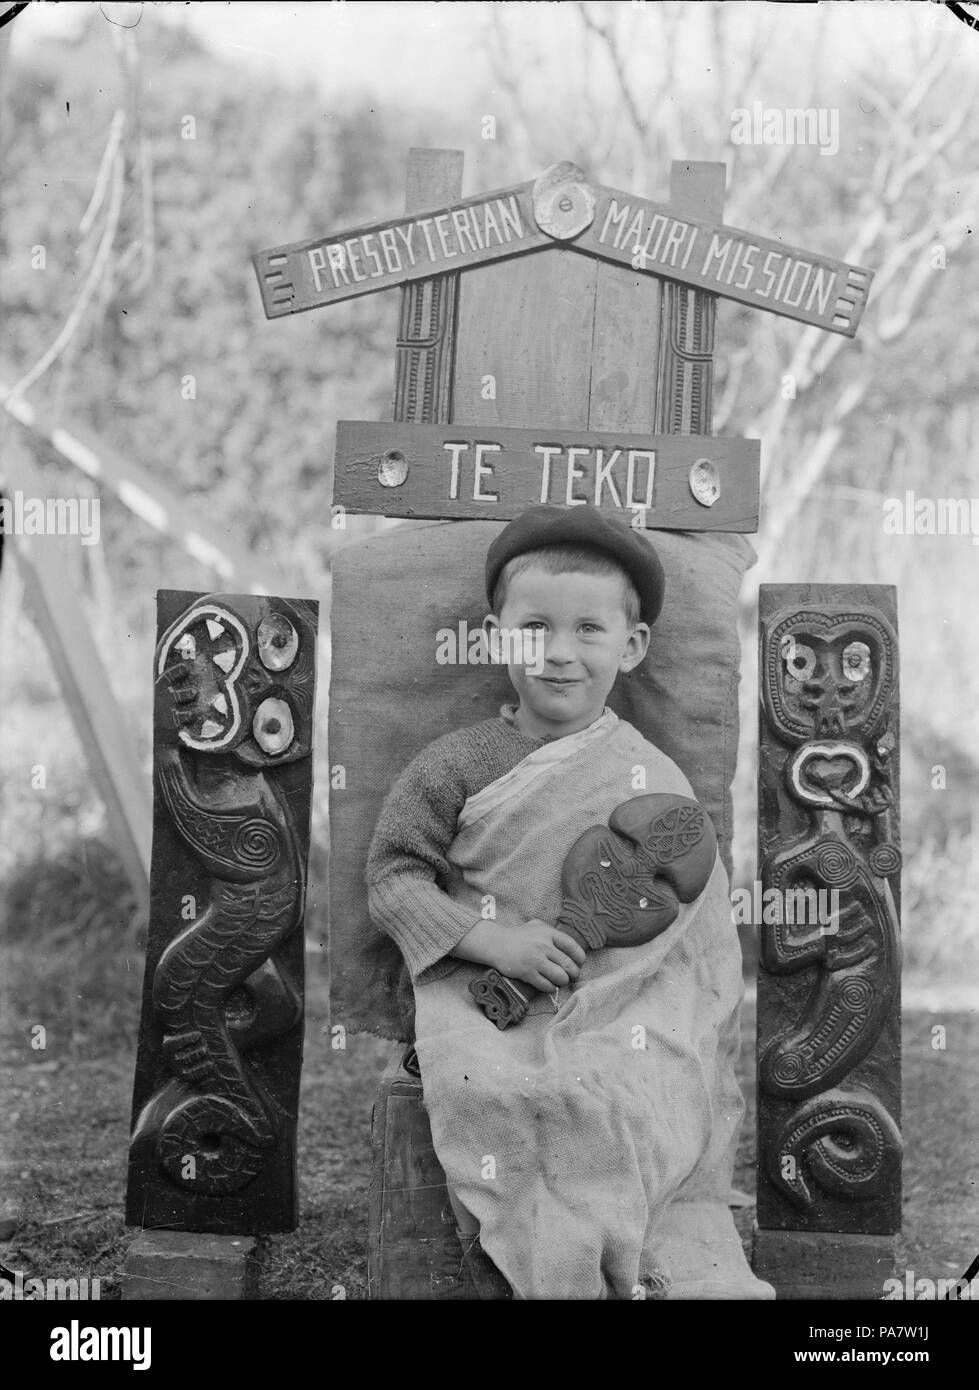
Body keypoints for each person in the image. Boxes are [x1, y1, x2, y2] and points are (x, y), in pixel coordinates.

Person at [366, 504, 773, 1301]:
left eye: (589, 630)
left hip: (626, 1005)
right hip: (482, 1000)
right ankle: (551, 1271)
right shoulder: (454, 765)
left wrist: (631, 1005)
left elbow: (689, 943)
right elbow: (392, 879)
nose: (558, 655)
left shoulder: (650, 779)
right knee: (501, 1092)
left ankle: (641, 1266)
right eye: (534, 628)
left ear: (633, 645)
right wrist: (492, 941)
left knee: (623, 1092)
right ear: (494, 636)